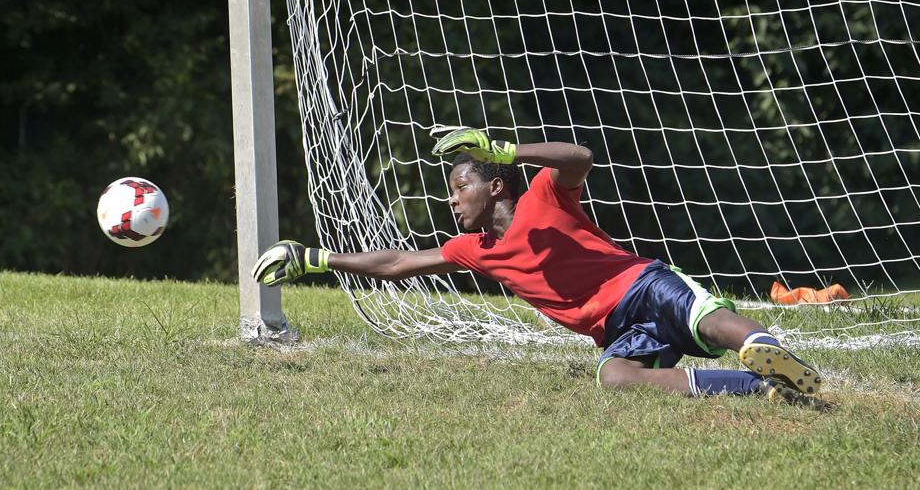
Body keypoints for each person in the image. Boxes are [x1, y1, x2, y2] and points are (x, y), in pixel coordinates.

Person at [252, 128, 828, 407]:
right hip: (620, 330)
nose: (452, 200)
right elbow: (398, 262)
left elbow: (580, 157)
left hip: (644, 284)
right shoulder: (473, 248)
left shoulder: (542, 197)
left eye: (460, 186)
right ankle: (754, 385)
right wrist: (313, 258)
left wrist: (509, 149)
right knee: (615, 376)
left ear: (494, 184)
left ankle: (766, 348)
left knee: (707, 320)